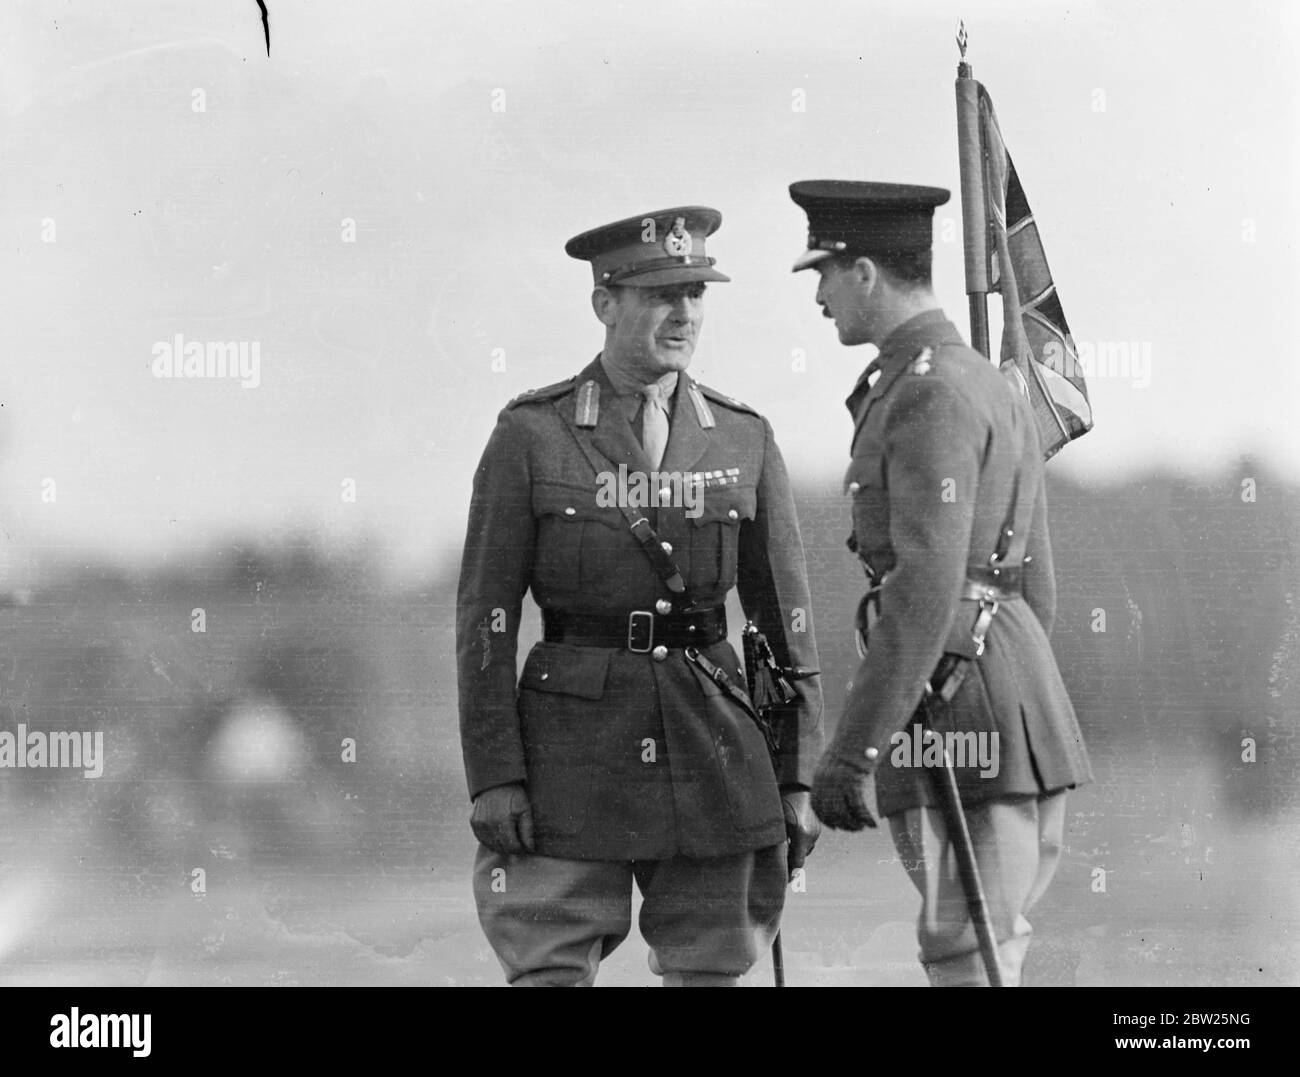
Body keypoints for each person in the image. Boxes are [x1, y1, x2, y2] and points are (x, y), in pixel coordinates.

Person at [456, 205, 824, 986]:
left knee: (712, 964)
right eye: (660, 293)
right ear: (605, 303)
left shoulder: (742, 436)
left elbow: (784, 622)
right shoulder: (532, 434)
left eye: (695, 292)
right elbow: (485, 621)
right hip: (570, 747)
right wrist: (494, 773)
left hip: (711, 736)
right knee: (547, 963)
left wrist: (795, 772)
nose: (683, 312)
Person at [788, 180, 1092, 987]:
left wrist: (853, 753)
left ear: (865, 274)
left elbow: (923, 585)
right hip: (1010, 697)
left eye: (824, 273)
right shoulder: (990, 382)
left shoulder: (923, 390)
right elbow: (1037, 584)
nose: (818, 297)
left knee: (969, 959)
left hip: (955, 706)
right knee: (990, 954)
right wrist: (1008, 689)